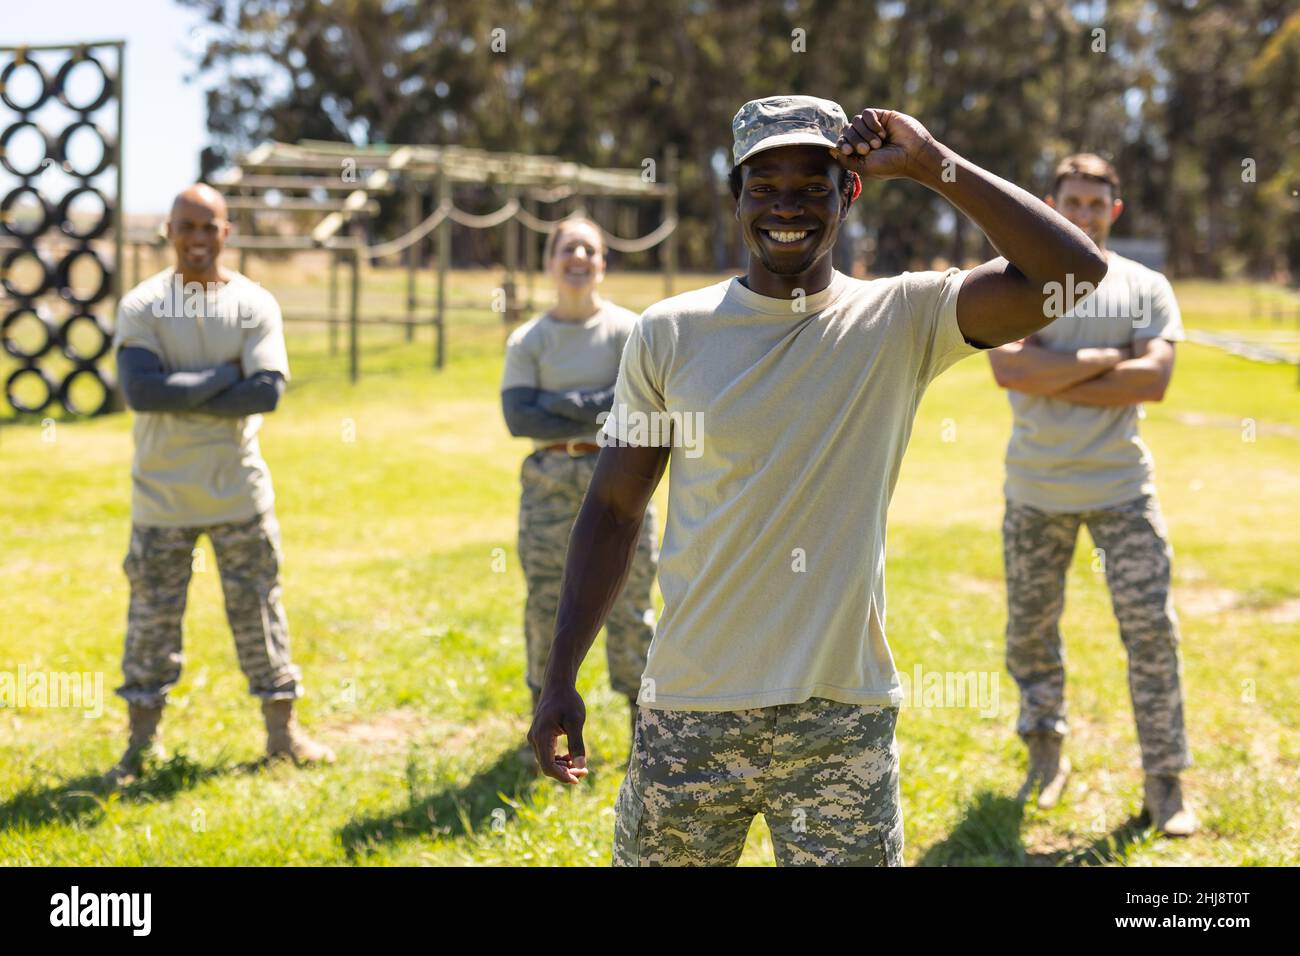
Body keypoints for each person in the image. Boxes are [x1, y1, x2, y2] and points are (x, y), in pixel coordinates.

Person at [527, 95, 1108, 866]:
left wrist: (937, 165)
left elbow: (1075, 274)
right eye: (763, 187)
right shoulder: (669, 334)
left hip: (841, 719)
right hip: (690, 711)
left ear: (849, 194)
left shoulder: (903, 318)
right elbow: (612, 507)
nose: (787, 208)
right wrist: (560, 673)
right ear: (735, 198)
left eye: (811, 186)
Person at [987, 154, 1195, 835]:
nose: (1082, 213)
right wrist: (1112, 358)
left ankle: (1166, 782)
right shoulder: (1021, 282)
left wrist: (1056, 371)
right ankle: (1046, 758)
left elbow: (1154, 382)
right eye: (1070, 201)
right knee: (1031, 632)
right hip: (1035, 491)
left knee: (1151, 632)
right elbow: (1008, 368)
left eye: (1094, 203)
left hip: (1121, 490)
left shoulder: (1143, 285)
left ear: (1115, 210)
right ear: (1049, 203)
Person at [105, 183, 333, 788]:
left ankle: (283, 736)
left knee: (260, 614)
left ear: (227, 232)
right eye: (187, 226)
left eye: (210, 227)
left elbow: (266, 392)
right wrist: (222, 376)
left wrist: (184, 384)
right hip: (161, 498)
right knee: (152, 620)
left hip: (239, 494)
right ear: (168, 232)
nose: (198, 239)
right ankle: (139, 748)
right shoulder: (143, 306)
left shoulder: (255, 303)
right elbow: (142, 391)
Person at [501, 218, 658, 765]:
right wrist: (596, 403)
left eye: (589, 249)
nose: (578, 258)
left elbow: (637, 405)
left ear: (602, 263)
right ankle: (543, 719)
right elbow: (518, 416)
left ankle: (646, 726)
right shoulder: (529, 339)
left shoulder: (631, 331)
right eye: (568, 249)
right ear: (550, 261)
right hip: (548, 486)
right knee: (547, 603)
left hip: (618, 479)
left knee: (631, 603)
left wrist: (560, 403)